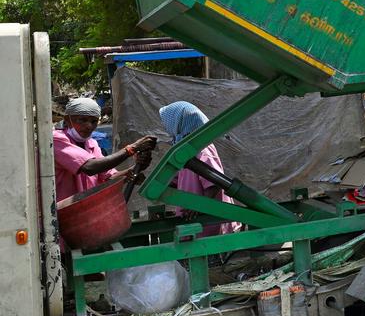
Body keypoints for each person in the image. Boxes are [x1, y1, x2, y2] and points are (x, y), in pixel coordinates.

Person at [159, 101, 240, 236]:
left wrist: (199, 206)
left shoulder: (203, 149)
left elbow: (214, 183)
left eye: (167, 123)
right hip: (195, 219)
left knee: (209, 251)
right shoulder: (185, 151)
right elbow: (179, 180)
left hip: (208, 221)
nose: (166, 127)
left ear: (179, 124)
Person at [54, 97, 154, 202]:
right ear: (67, 120)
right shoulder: (57, 140)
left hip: (86, 209)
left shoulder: (91, 143)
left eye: (94, 121)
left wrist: (136, 168)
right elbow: (89, 167)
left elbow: (109, 177)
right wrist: (131, 149)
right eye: (82, 120)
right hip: (61, 213)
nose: (89, 126)